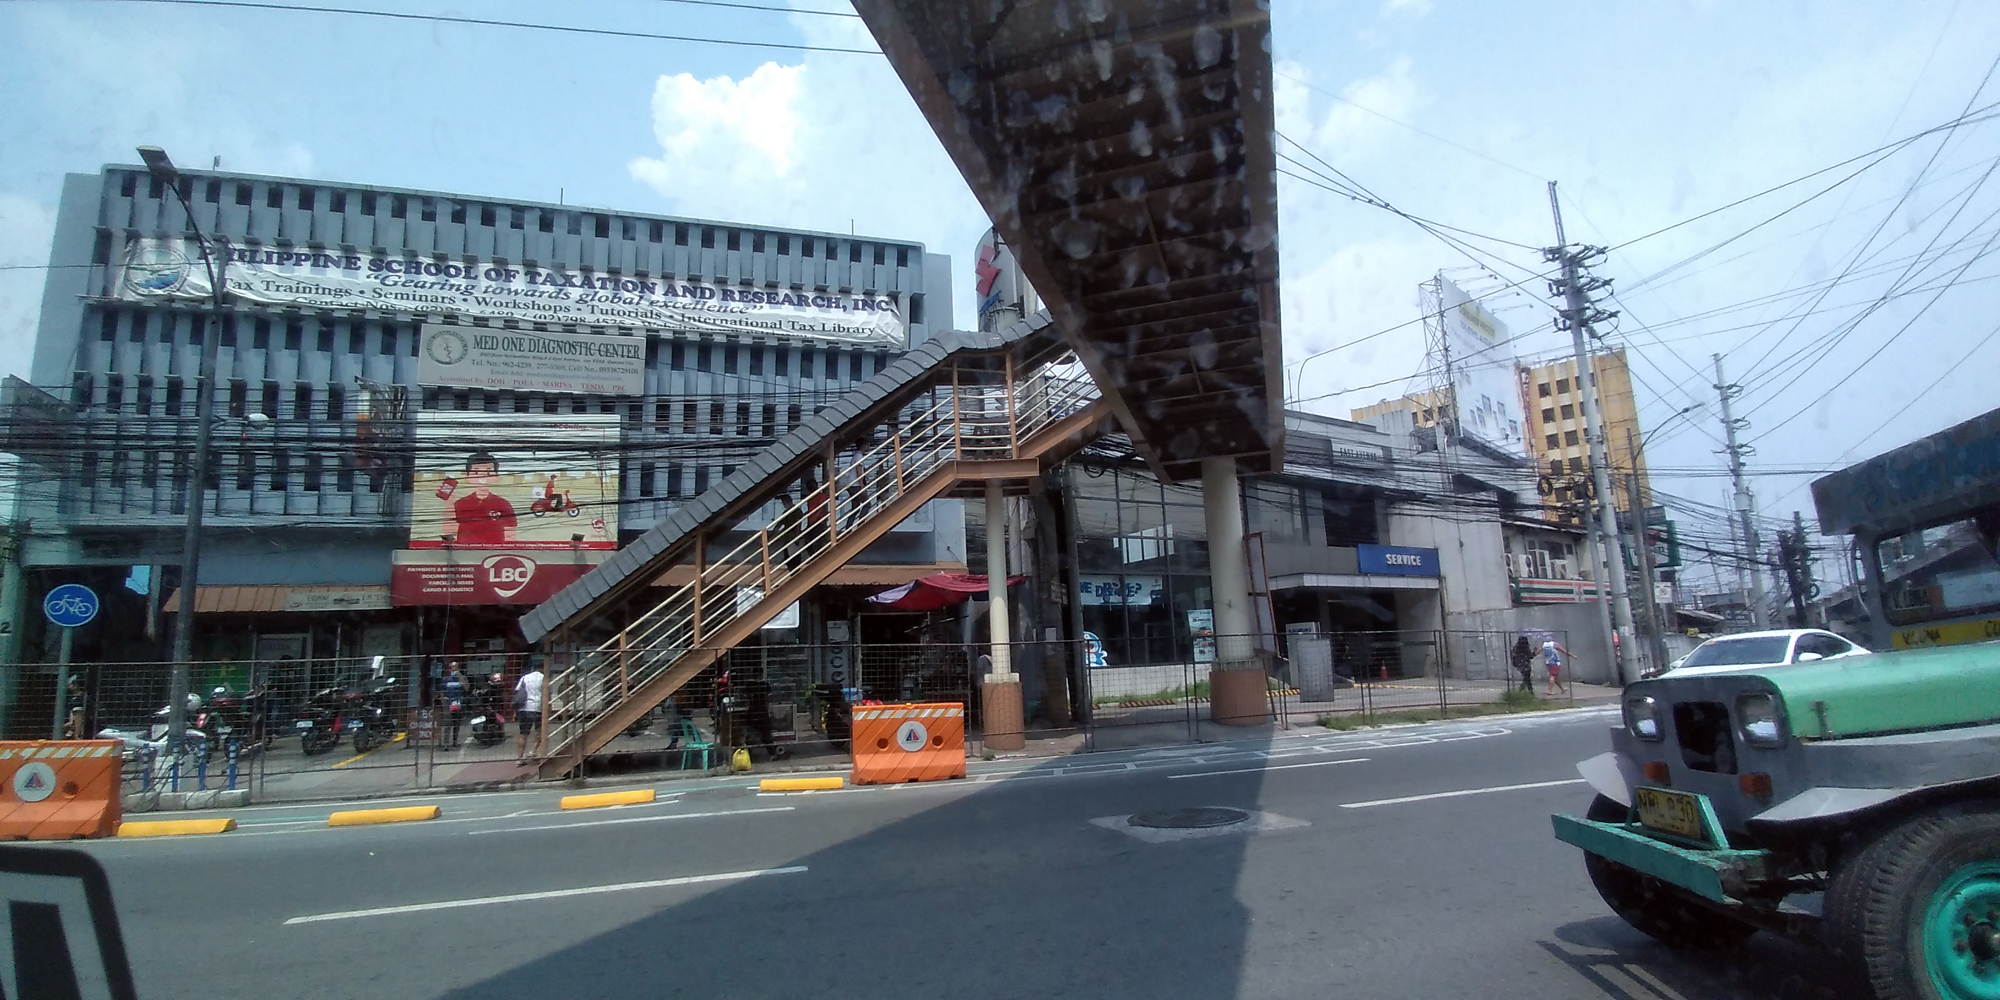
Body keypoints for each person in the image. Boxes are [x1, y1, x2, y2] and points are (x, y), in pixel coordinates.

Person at [442, 452, 516, 546]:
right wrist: (449, 501)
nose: (482, 476)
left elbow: (510, 536)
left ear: (496, 476)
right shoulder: (460, 504)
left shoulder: (503, 504)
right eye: (476, 472)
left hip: (495, 554)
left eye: (488, 472)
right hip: (466, 555)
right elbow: (448, 532)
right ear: (467, 476)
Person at [514, 661, 545, 761]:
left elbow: (518, 693)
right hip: (538, 708)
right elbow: (547, 695)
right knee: (540, 731)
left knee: (523, 734)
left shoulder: (525, 678)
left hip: (524, 708)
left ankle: (519, 758)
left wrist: (515, 711)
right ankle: (533, 751)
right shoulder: (544, 678)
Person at [439, 663, 468, 749]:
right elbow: (442, 691)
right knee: (448, 723)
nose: (454, 670)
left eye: (456, 668)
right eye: (452, 668)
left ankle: (455, 742)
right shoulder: (446, 679)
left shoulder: (463, 678)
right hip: (448, 703)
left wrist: (461, 678)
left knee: (457, 723)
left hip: (458, 702)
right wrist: (443, 702)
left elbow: (466, 688)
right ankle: (446, 744)